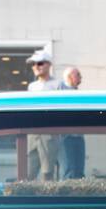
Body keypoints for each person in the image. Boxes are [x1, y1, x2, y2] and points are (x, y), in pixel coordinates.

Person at [25, 48, 66, 180]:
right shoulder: (32, 86)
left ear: (48, 64)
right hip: (32, 132)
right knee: (28, 171)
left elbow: (63, 109)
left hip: (49, 132)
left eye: (40, 63)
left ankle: (47, 194)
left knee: (47, 172)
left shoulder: (58, 84)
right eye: (33, 64)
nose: (36, 67)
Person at [60, 66, 85, 179]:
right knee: (69, 169)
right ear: (70, 77)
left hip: (79, 136)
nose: (80, 77)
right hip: (66, 137)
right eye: (78, 75)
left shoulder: (78, 93)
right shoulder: (61, 92)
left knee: (79, 170)